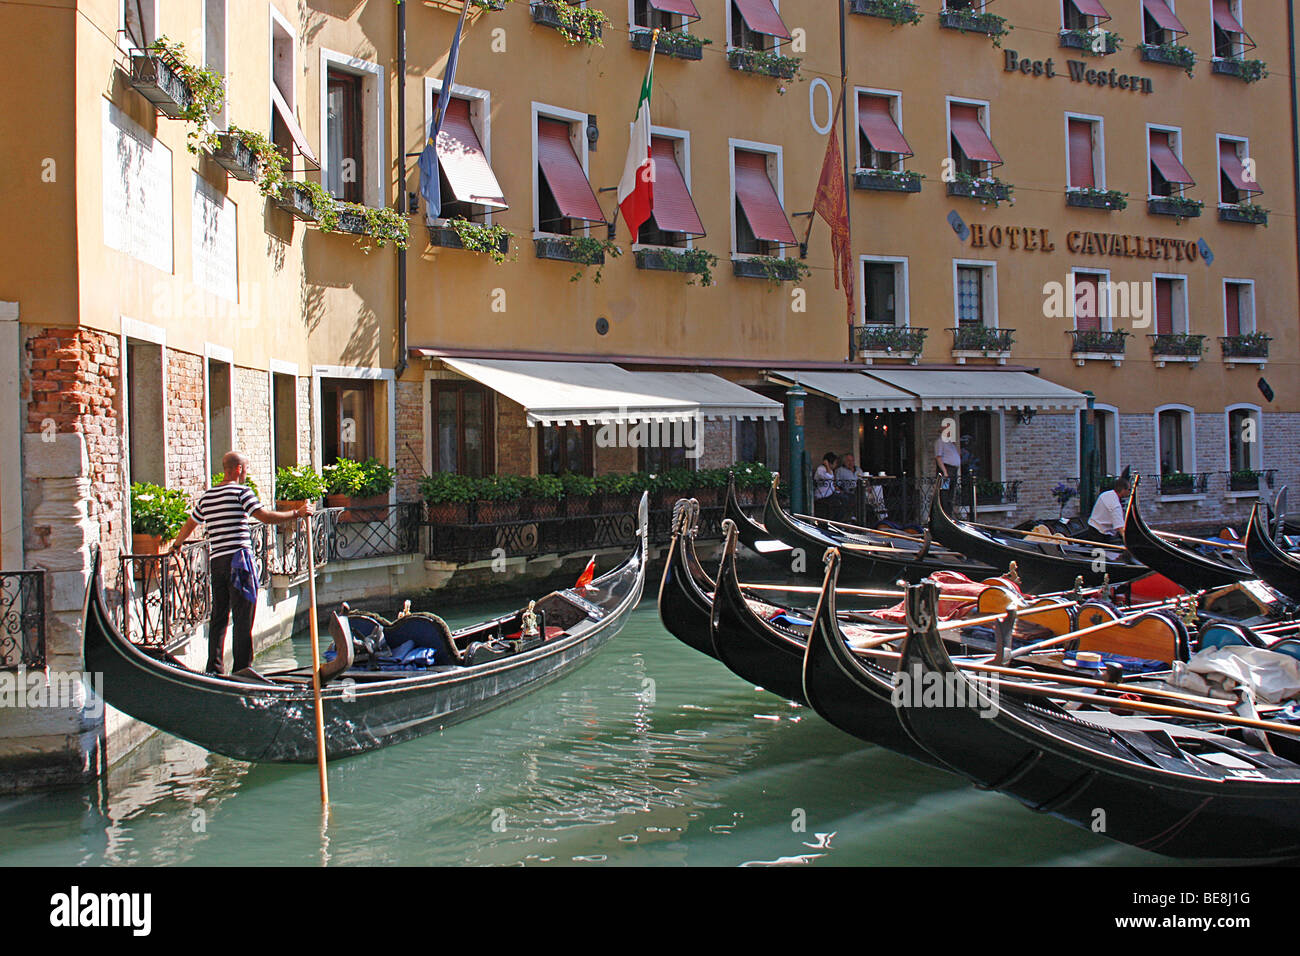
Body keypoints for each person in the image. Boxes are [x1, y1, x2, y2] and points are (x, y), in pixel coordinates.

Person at [172, 451, 313, 675]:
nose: (246, 472)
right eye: (245, 468)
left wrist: (177, 544)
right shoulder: (242, 492)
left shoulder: (208, 496)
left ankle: (215, 669)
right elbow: (265, 517)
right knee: (242, 618)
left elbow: (191, 522)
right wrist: (297, 513)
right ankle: (242, 671)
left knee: (218, 618)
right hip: (239, 561)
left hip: (217, 562)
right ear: (238, 469)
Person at [1082, 474, 1131, 543]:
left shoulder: (1106, 494)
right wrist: (1129, 542)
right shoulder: (1115, 505)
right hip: (1101, 535)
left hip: (1093, 528)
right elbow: (1120, 528)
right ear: (1123, 490)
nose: (1130, 492)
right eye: (1129, 490)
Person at [934, 431, 961, 514]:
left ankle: (949, 514)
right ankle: (944, 514)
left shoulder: (950, 443)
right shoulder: (940, 441)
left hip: (953, 471)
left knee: (951, 495)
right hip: (946, 471)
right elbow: (938, 457)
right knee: (944, 494)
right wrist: (945, 472)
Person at [813, 452, 838, 518]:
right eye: (835, 462)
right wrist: (827, 465)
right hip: (822, 496)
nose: (836, 464)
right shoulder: (820, 469)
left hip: (830, 494)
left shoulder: (830, 470)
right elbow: (829, 477)